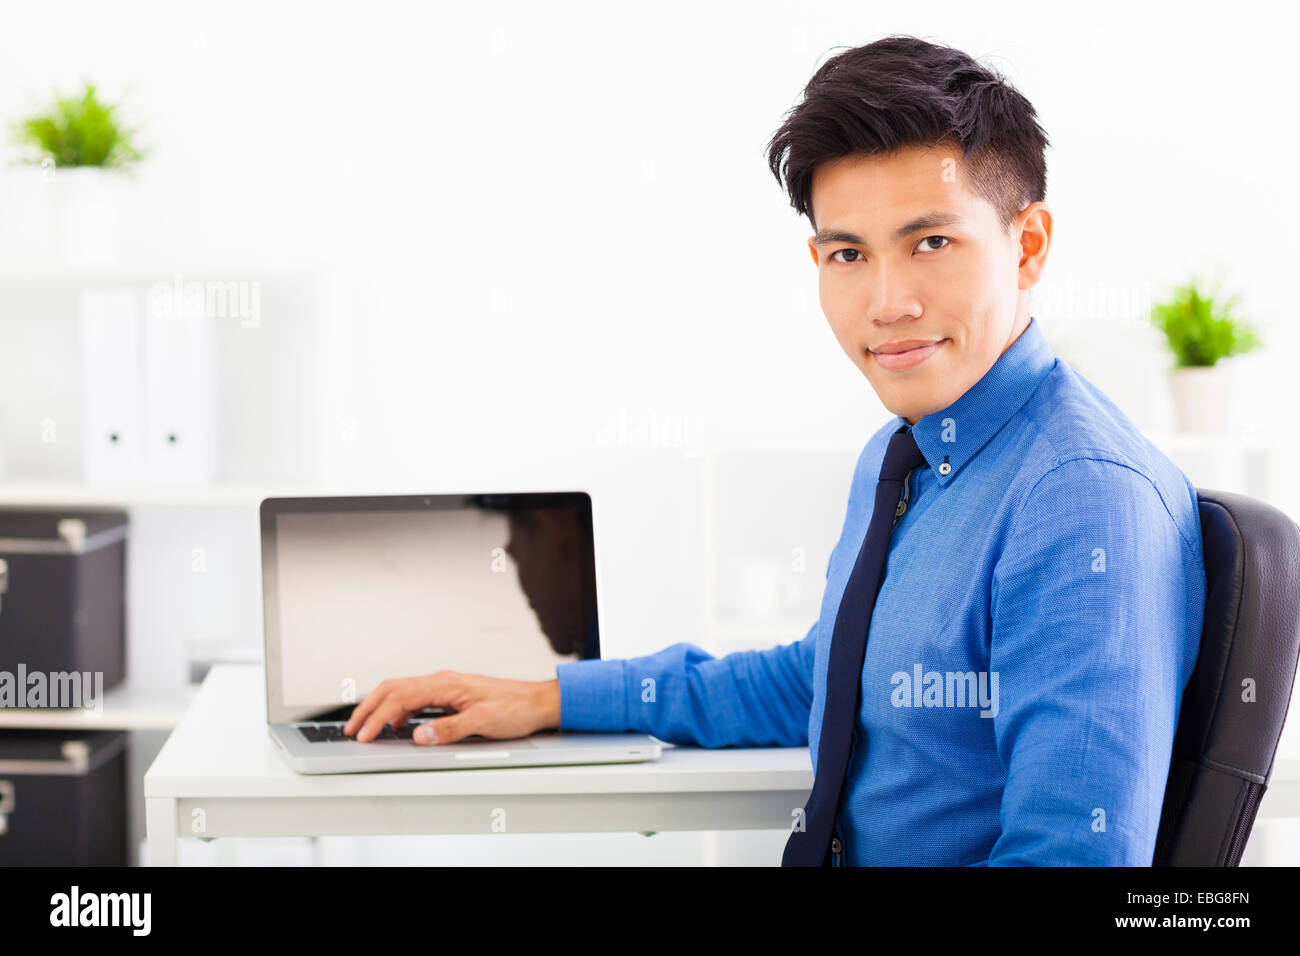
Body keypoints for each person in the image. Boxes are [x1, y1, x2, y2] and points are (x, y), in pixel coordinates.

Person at [343, 34, 1205, 867]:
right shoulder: (907, 455)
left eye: (931, 241)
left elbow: (1071, 858)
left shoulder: (1080, 498)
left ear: (1028, 246)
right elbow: (820, 680)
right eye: (848, 254)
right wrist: (548, 698)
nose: (887, 300)